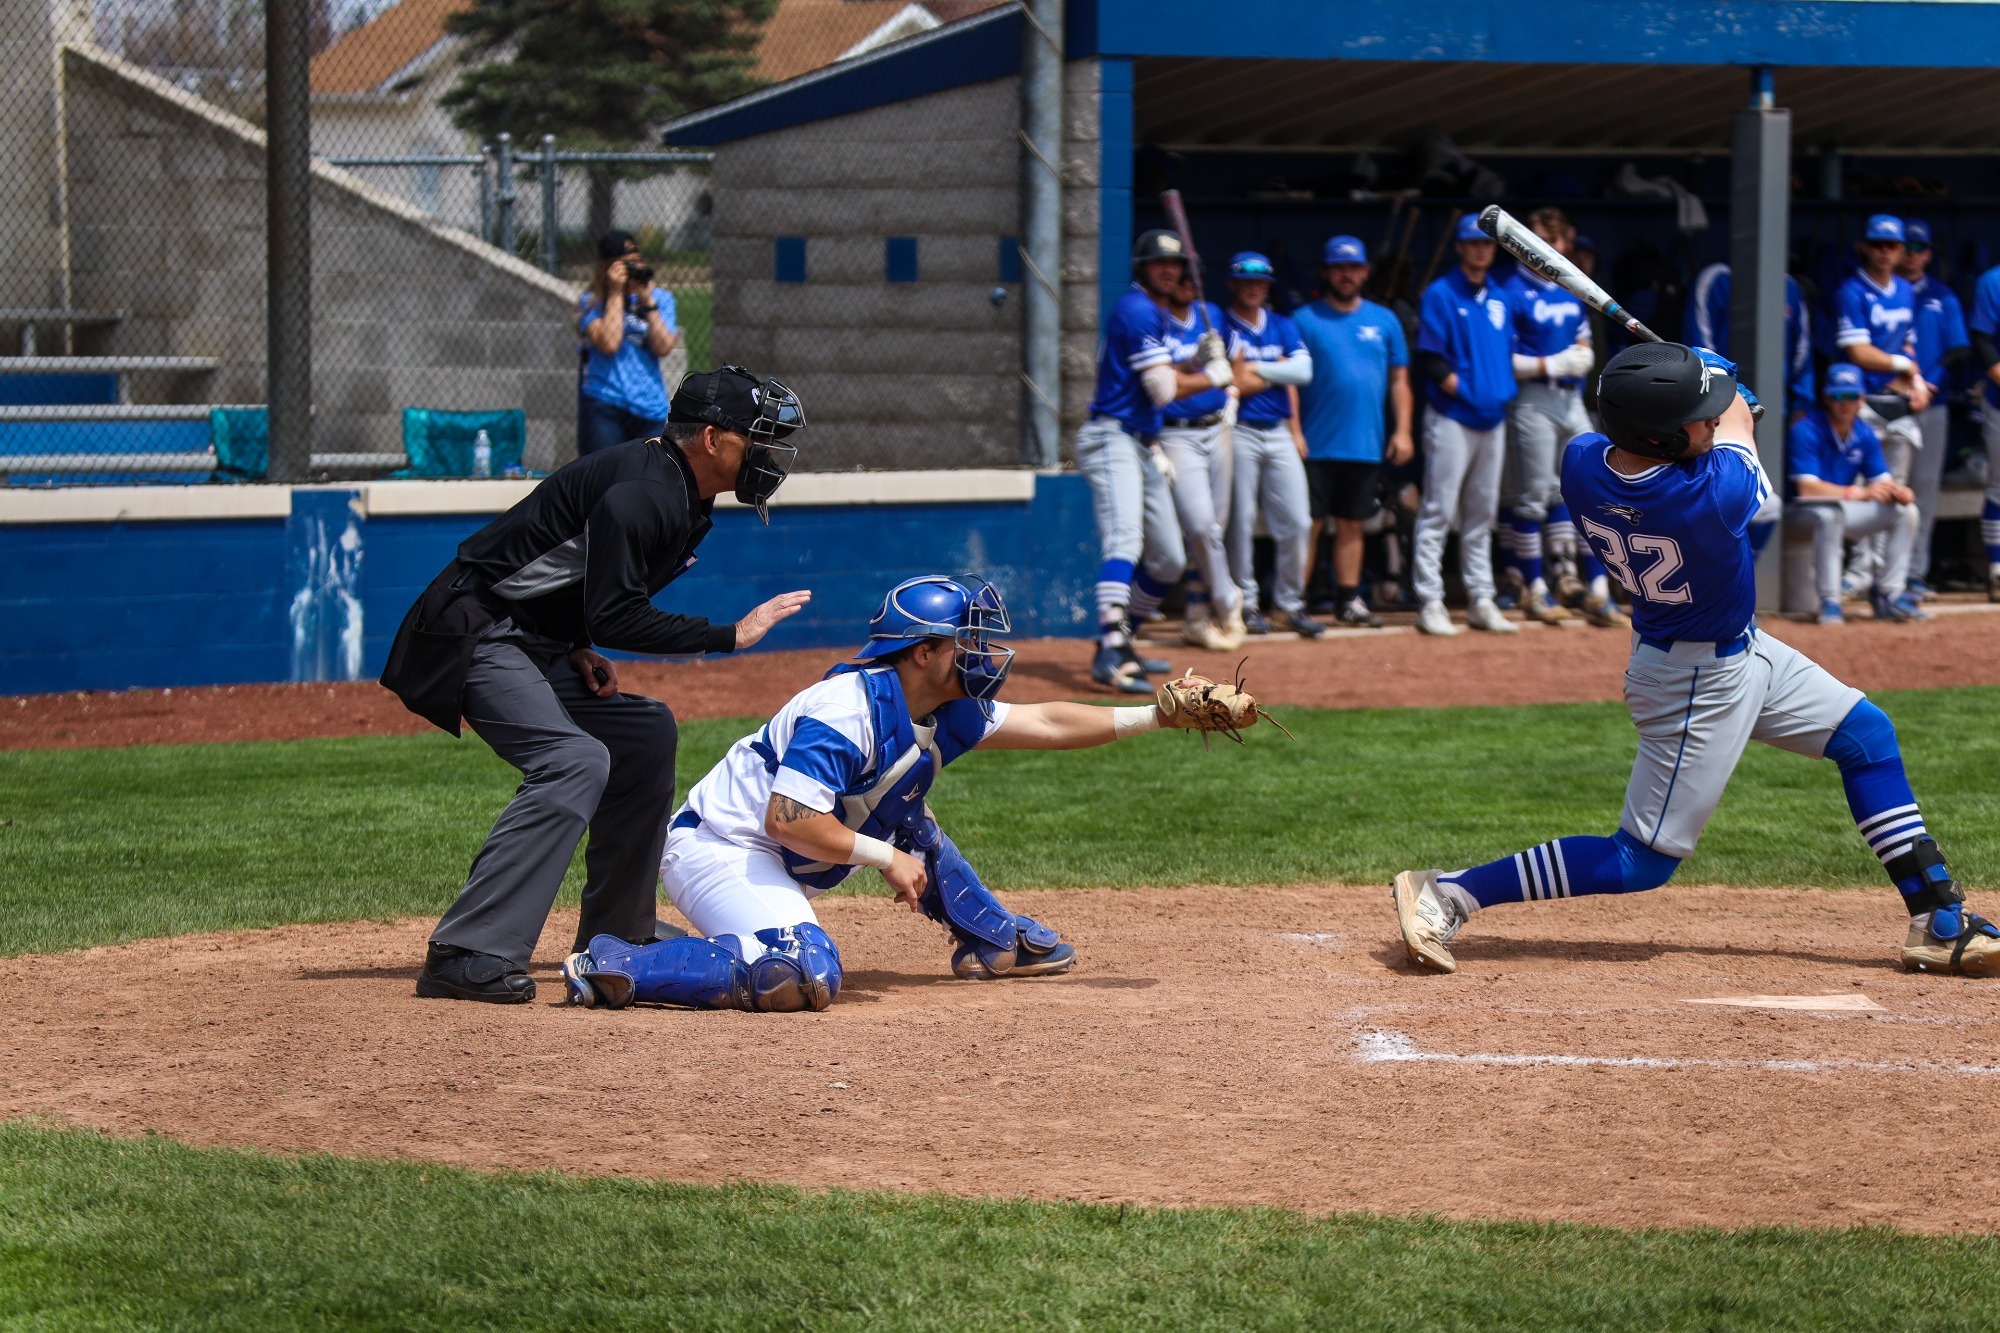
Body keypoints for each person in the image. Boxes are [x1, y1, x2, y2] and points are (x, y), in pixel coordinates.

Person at [1390, 342, 1998, 979]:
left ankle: (1935, 917)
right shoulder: (1714, 496)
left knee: (1866, 735)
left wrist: (1700, 389)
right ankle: (1449, 892)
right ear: (1657, 438)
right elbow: (1737, 417)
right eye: (1694, 418)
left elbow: (1720, 421)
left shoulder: (1582, 462)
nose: (1708, 421)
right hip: (1694, 684)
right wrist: (1725, 379)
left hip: (1741, 650)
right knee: (1641, 861)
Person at [558, 576, 1267, 1011]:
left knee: (905, 809)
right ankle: (616, 962)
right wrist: (879, 857)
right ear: (922, 652)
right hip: (722, 846)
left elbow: (1048, 721)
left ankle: (993, 939)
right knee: (801, 969)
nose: (983, 653)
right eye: (967, 640)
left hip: (785, 842)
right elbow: (787, 816)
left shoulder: (940, 704)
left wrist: (1155, 713)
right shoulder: (847, 708)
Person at [380, 366, 810, 1003]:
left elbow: (568, 581)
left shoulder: (682, 491)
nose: (769, 457)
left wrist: (574, 644)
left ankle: (619, 932)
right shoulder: (645, 491)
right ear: (716, 439)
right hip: (472, 631)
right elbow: (615, 610)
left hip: (530, 638)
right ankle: (466, 950)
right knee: (573, 760)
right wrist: (727, 634)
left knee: (644, 730)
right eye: (759, 440)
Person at [1077, 230, 1225, 693]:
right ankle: (1112, 652)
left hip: (1143, 441)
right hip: (1111, 436)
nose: (1169, 269)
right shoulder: (1138, 309)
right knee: (1125, 540)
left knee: (1167, 560)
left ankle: (1122, 642)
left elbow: (1153, 376)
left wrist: (1192, 362)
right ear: (1142, 267)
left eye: (1175, 263)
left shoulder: (1153, 313)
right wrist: (1211, 374)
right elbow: (1162, 391)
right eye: (1160, 263)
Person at [1498, 207, 1621, 629]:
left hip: (1571, 400)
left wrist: (1577, 360)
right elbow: (1504, 361)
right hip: (1532, 399)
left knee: (1588, 488)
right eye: (1539, 242)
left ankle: (1597, 589)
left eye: (1555, 242)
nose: (1548, 250)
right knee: (1534, 494)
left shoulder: (1570, 290)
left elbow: (1585, 349)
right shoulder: (1509, 291)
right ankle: (1534, 587)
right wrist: (1553, 363)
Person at [1291, 235, 1413, 630]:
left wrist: (1403, 431)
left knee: (1352, 523)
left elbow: (1399, 380)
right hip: (1315, 440)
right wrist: (1294, 429)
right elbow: (1290, 382)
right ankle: (1296, 600)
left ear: (1364, 272)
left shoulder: (1385, 320)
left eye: (1354, 267)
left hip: (1364, 441)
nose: (1347, 275)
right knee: (1307, 523)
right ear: (1326, 272)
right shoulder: (1304, 320)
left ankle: (1348, 598)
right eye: (1339, 268)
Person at [1410, 214, 1518, 637]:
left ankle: (1481, 598)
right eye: (1473, 243)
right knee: (1439, 509)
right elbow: (1432, 360)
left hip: (1493, 419)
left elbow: (1504, 354)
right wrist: (1469, 393)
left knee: (1482, 513)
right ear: (1459, 247)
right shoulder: (1440, 293)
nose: (1480, 249)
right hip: (1452, 415)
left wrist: (1496, 395)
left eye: (1487, 244)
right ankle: (1430, 600)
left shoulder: (1501, 296)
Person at [1222, 252, 1316, 636]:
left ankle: (1289, 603)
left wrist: (1254, 370)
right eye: (1246, 281)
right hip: (1238, 429)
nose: (1254, 287)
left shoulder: (1282, 323)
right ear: (1233, 283)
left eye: (1260, 282)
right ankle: (1245, 602)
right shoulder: (1222, 323)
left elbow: (1304, 372)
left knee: (1298, 520)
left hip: (1277, 429)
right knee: (1240, 522)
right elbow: (1227, 378)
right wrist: (1275, 370)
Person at [1786, 363, 1920, 624]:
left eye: (1851, 396)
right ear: (1827, 398)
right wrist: (1859, 493)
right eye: (1838, 396)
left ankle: (1889, 595)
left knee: (1906, 512)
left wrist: (1899, 492)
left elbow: (1881, 482)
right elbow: (1806, 488)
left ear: (1861, 399)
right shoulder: (1806, 428)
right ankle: (1831, 602)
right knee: (1829, 515)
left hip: (1842, 509)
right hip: (1798, 515)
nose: (1844, 403)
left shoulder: (1864, 431)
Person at [1158, 268, 1246, 650]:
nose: (1187, 283)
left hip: (1217, 427)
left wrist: (1233, 394)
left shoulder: (1210, 314)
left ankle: (1196, 617)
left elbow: (1235, 363)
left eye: (1192, 275)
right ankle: (1227, 598)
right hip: (1176, 431)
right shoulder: (1151, 320)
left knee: (1214, 530)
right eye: (1180, 276)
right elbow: (1155, 382)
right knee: (1200, 526)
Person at [1896, 219, 1970, 597]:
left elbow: (1959, 347)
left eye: (1918, 248)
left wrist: (1931, 382)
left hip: (1932, 403)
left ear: (1928, 253)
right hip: (1889, 403)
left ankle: (1913, 573)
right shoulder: (1882, 291)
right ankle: (1879, 576)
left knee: (1923, 491)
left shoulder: (1942, 294)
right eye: (1905, 246)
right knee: (1888, 487)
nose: (1911, 255)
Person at [577, 230, 680, 456]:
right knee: (604, 479)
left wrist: (647, 303)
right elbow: (609, 343)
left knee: (646, 481)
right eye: (626, 266)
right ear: (608, 268)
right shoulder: (591, 303)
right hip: (605, 404)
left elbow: (664, 347)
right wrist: (614, 292)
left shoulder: (662, 299)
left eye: (637, 263)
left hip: (649, 407)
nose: (633, 271)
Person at [1683, 261, 1816, 416]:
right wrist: (1715, 392)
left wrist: (1802, 404)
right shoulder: (1717, 278)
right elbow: (1699, 347)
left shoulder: (1789, 287)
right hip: (1720, 404)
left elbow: (1802, 355)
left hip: (1776, 407)